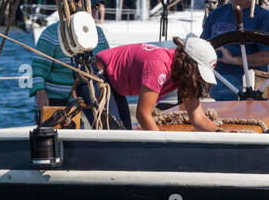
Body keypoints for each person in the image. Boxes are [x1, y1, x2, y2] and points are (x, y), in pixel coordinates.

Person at [78, 34, 221, 131]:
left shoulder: (185, 74)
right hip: (95, 79)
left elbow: (198, 118)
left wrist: (219, 133)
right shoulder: (159, 65)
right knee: (114, 134)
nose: (200, 79)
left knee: (123, 135)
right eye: (200, 73)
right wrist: (162, 147)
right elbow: (142, 114)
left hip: (113, 86)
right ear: (188, 63)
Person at [201, 0, 269, 100]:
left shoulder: (264, 19)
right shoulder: (216, 14)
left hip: (249, 94)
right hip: (214, 94)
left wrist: (233, 60)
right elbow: (201, 47)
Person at [30, 21, 110, 111]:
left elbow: (107, 63)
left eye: (96, 8)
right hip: (54, 101)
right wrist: (40, 91)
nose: (95, 11)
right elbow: (39, 66)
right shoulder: (52, 32)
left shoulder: (98, 33)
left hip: (90, 101)